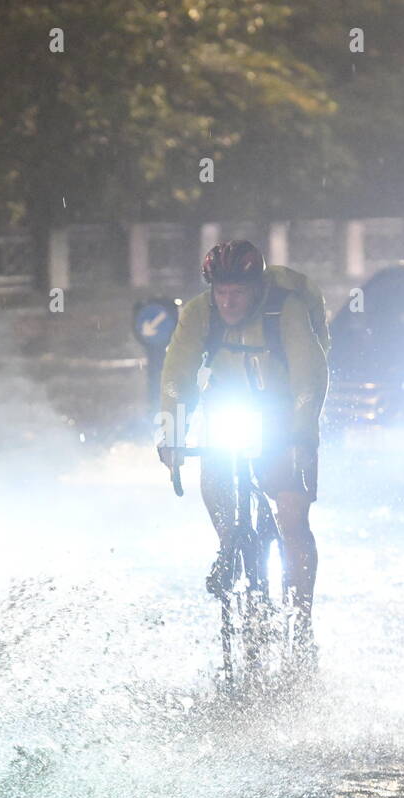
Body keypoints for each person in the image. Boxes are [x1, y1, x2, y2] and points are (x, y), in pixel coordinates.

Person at [157, 239, 328, 644]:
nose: (229, 302)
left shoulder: (286, 310)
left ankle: (300, 622)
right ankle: (229, 545)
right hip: (227, 402)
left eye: (238, 293)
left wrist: (303, 434)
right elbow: (176, 377)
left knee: (291, 516)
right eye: (221, 293)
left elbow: (309, 375)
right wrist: (174, 434)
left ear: (256, 290)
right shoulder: (199, 314)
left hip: (282, 411)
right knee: (213, 466)